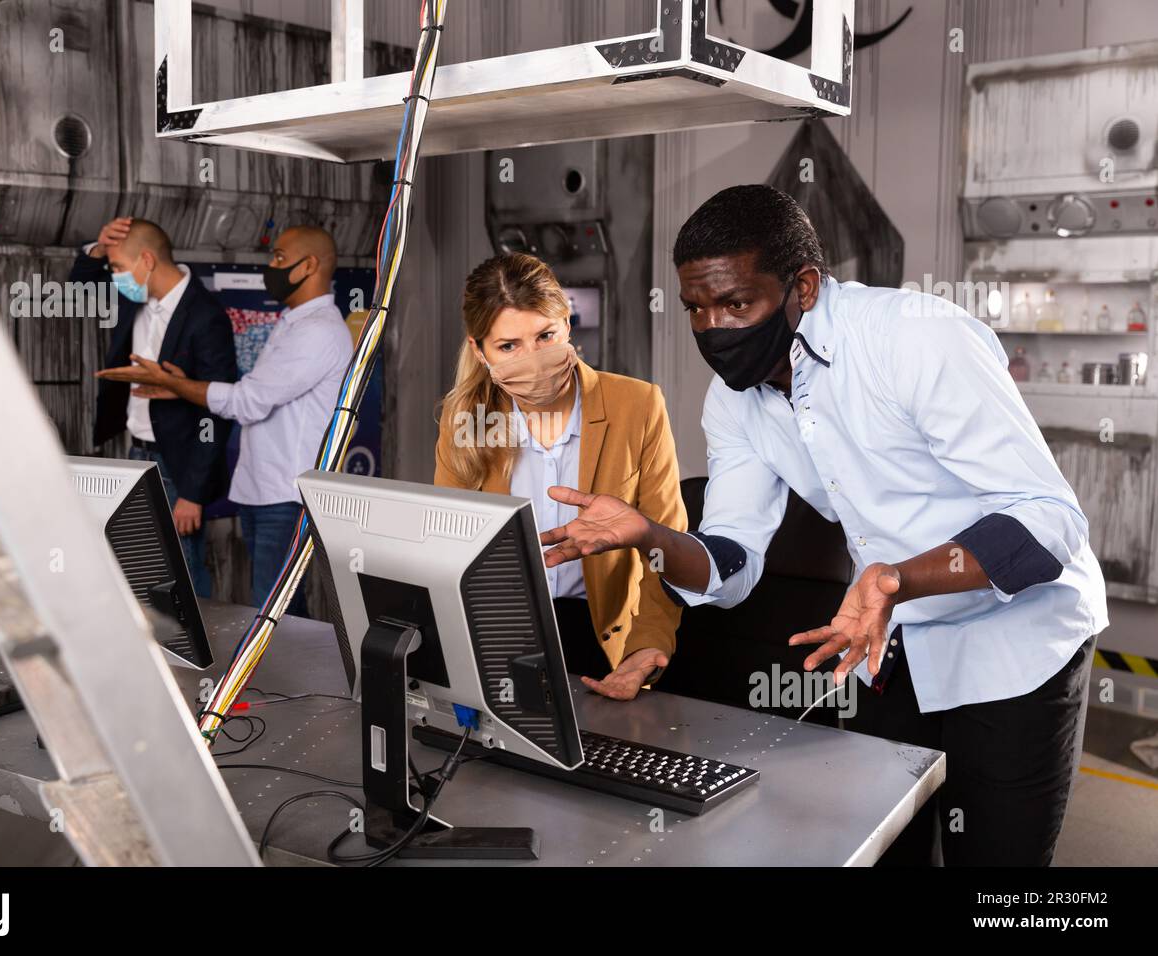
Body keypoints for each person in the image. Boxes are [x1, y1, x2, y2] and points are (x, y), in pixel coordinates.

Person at [535, 185, 1107, 865]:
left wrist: (899, 578)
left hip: (1016, 647)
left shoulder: (914, 339)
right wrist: (652, 538)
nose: (713, 329)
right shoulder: (733, 402)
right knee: (884, 844)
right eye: (696, 309)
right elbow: (734, 561)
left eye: (736, 303)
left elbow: (1048, 522)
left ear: (803, 286)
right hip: (888, 643)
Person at [434, 253, 687, 701]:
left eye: (546, 336)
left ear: (567, 325)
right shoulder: (466, 419)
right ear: (479, 350)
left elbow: (666, 540)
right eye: (508, 346)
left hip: (605, 634)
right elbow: (448, 546)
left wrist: (647, 643)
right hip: (502, 634)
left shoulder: (638, 405)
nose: (532, 359)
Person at [98, 226, 353, 615]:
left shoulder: (317, 331)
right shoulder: (294, 323)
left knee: (274, 610)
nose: (271, 266)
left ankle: (278, 675)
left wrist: (174, 385)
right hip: (262, 490)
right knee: (278, 606)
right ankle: (278, 673)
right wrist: (181, 386)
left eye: (280, 258)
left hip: (286, 493)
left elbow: (248, 400)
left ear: (310, 265)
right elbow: (250, 394)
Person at [77, 216, 237, 598]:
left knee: (179, 570)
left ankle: (199, 655)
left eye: (116, 267)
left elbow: (216, 410)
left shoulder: (206, 316)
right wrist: (98, 248)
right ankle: (154, 652)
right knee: (137, 567)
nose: (114, 276)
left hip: (177, 466)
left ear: (146, 260)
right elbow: (80, 288)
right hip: (136, 454)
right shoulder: (135, 298)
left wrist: (193, 492)